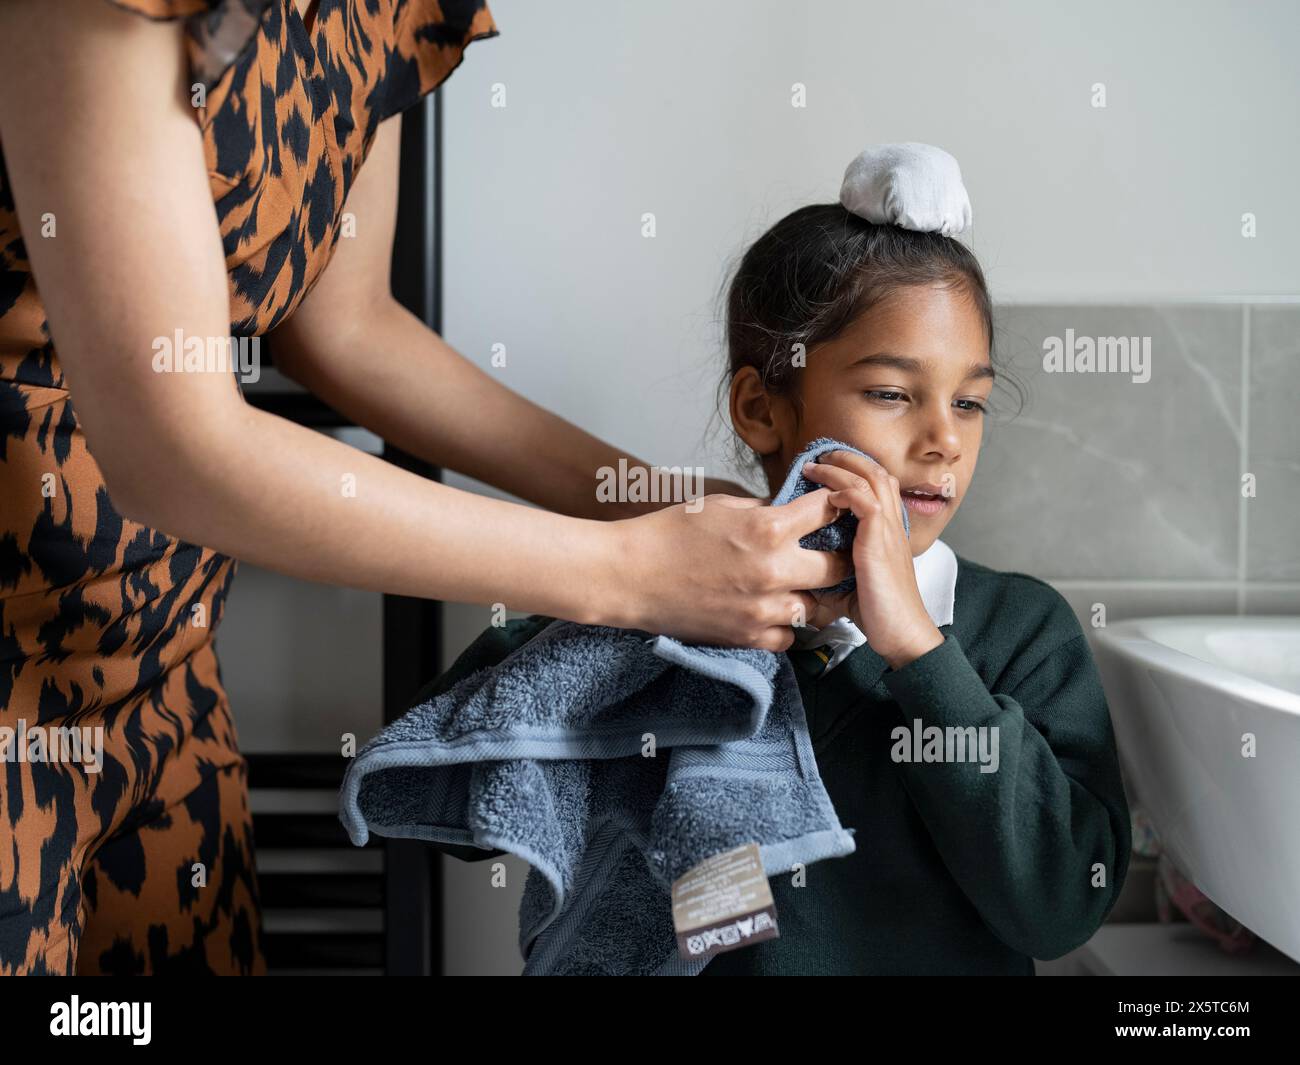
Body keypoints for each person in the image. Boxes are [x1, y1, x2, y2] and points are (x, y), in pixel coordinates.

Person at [0, 0, 847, 975]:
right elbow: (172, 449)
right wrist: (632, 570)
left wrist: (640, 497)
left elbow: (347, 328)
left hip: (155, 659)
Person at [433, 164, 1134, 974]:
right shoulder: (676, 621)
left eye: (969, 402)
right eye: (891, 393)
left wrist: (920, 655)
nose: (944, 437)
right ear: (762, 409)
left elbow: (1060, 906)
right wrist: (608, 625)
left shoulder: (1021, 631)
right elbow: (463, 773)